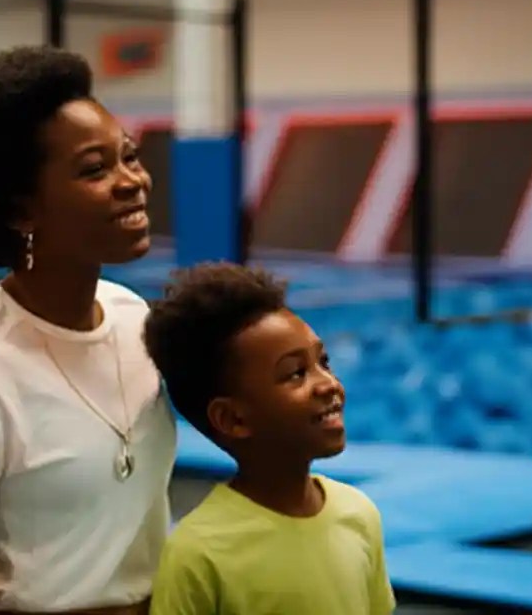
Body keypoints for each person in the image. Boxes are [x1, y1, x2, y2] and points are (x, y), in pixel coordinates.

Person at [0, 45, 177, 614]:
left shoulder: (134, 319)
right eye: (95, 170)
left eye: (129, 156)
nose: (132, 181)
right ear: (21, 210)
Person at [141, 262, 395, 615]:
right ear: (233, 418)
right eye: (295, 374)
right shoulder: (198, 553)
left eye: (323, 362)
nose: (328, 384)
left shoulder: (358, 514)